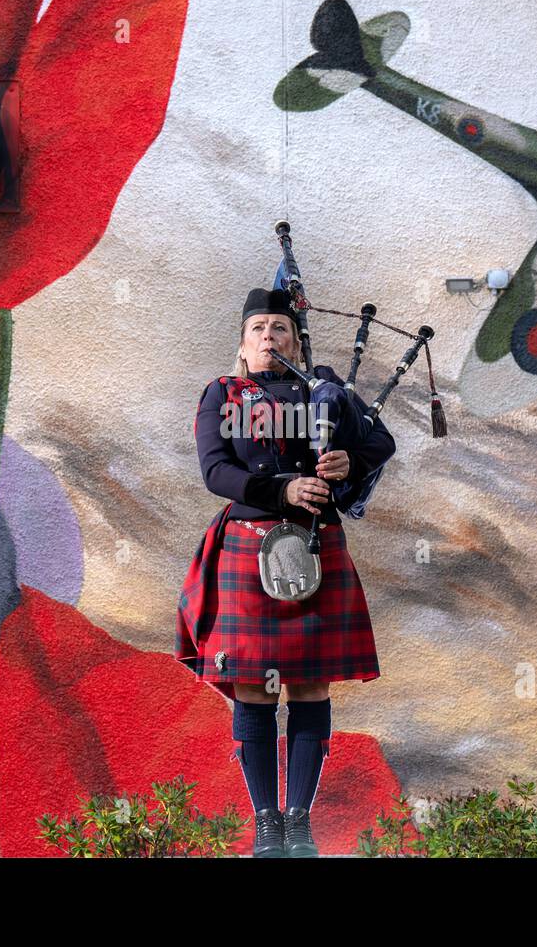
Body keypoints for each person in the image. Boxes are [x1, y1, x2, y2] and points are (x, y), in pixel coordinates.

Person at [176, 286, 396, 857]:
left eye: (279, 329)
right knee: (253, 688)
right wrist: (282, 489)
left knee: (309, 683)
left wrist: (348, 465)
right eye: (259, 330)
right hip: (248, 549)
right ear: (243, 344)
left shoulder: (324, 393)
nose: (269, 338)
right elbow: (215, 472)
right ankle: (266, 822)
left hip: (316, 547)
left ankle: (299, 821)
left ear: (295, 340)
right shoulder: (222, 394)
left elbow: (379, 443)